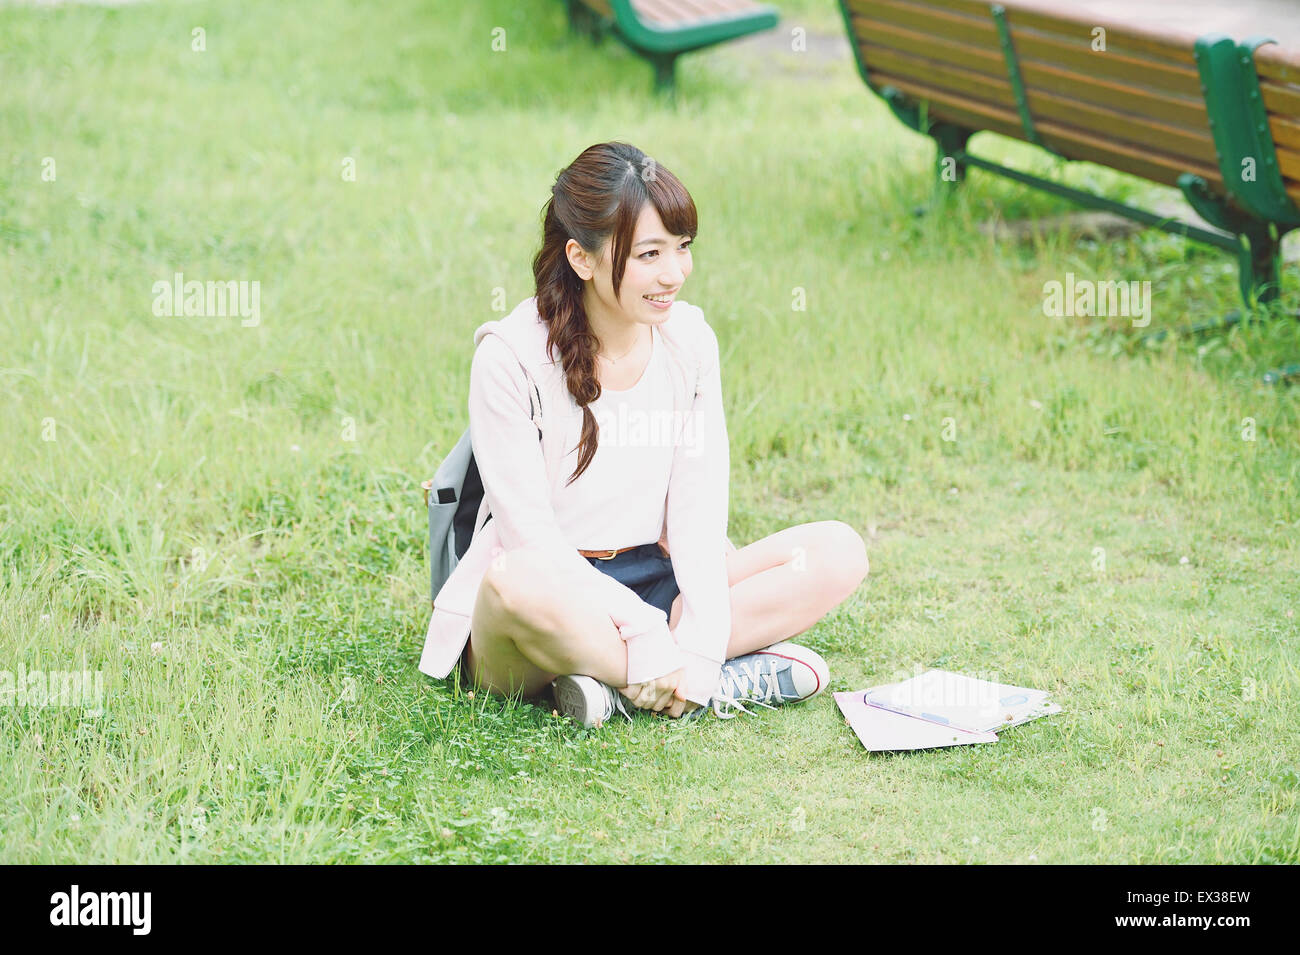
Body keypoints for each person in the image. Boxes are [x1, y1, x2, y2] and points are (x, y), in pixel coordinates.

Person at [417, 141, 869, 726]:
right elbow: (530, 539)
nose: (674, 274)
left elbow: (698, 511)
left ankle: (620, 684)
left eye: (682, 249)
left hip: (653, 578)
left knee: (836, 552)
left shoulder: (689, 341)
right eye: (650, 254)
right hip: (548, 598)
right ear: (581, 258)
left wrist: (701, 641)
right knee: (514, 580)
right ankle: (678, 680)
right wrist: (648, 635)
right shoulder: (510, 358)